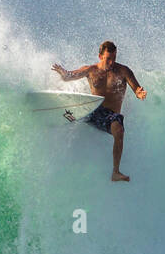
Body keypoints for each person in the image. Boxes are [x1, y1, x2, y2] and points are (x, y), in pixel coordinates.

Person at [51, 40, 146, 182]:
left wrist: (140, 93)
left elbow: (137, 89)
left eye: (114, 58)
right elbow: (69, 76)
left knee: (119, 128)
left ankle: (116, 172)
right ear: (100, 56)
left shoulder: (123, 71)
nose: (111, 62)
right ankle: (61, 118)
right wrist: (63, 73)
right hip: (92, 110)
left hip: (109, 116)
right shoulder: (91, 70)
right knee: (75, 106)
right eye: (108, 59)